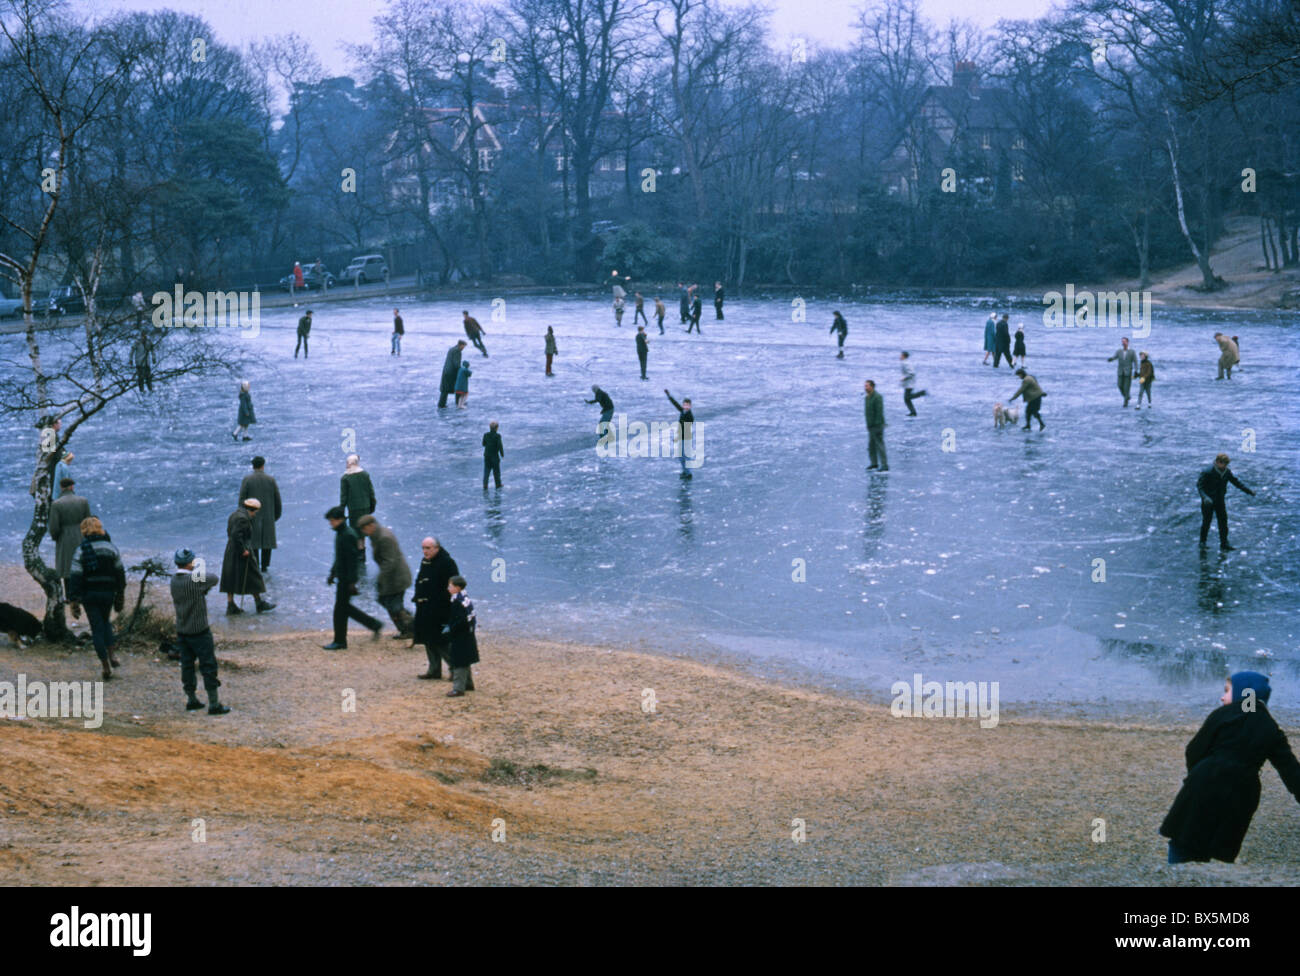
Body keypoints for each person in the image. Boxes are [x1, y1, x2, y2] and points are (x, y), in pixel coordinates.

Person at [1160, 672, 1300, 864]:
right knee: (1217, 835)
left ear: (1244, 693)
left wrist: (1196, 774)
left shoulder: (1223, 715)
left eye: (1227, 691)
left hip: (1206, 778)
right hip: (1243, 790)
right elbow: (1290, 771)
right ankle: (1199, 866)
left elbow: (1194, 749)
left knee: (1186, 833)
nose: (1222, 697)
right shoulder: (1271, 728)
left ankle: (1178, 866)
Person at [169, 547, 228, 715]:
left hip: (182, 630)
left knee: (187, 666)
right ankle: (214, 704)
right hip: (200, 631)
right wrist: (199, 567)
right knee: (208, 665)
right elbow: (214, 579)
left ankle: (192, 700)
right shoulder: (195, 579)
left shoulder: (174, 580)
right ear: (190, 563)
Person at [66, 516, 125, 680]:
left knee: (96, 628)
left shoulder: (81, 550)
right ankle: (112, 655)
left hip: (89, 595)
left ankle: (106, 666)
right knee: (106, 622)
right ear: (100, 528)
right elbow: (120, 572)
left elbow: (75, 576)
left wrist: (74, 600)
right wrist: (120, 593)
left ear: (84, 531)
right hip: (108, 593)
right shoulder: (111, 548)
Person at [322, 506, 382, 650]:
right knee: (344, 609)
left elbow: (352, 560)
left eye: (332, 520)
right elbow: (340, 557)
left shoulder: (347, 535)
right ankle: (373, 625)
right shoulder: (341, 533)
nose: (331, 523)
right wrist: (332, 572)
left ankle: (340, 641)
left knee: (340, 610)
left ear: (340, 520)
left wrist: (352, 582)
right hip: (344, 578)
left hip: (346, 580)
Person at [356, 515, 413, 638]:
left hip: (397, 578)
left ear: (371, 525)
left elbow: (390, 562)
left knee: (394, 606)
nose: (364, 532)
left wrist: (380, 579)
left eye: (364, 529)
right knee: (388, 602)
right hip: (392, 577)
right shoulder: (377, 535)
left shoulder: (383, 538)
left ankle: (412, 628)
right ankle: (407, 629)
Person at [220, 498, 276, 615]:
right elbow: (236, 535)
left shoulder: (234, 514)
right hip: (241, 551)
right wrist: (243, 550)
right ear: (252, 509)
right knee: (254, 576)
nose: (255, 515)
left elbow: (229, 532)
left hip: (231, 550)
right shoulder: (243, 519)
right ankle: (259, 603)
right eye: (255, 512)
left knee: (230, 577)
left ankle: (231, 605)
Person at [413, 537, 459, 678]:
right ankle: (434, 670)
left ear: (437, 548)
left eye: (428, 548)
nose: (425, 551)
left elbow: (454, 586)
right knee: (428, 639)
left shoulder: (447, 563)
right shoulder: (426, 561)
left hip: (440, 607)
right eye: (423, 548)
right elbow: (421, 580)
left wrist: (447, 605)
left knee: (441, 640)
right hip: (425, 606)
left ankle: (454, 669)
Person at [1197, 453, 1255, 551]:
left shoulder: (1226, 472)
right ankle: (1202, 542)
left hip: (1220, 501)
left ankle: (1224, 544)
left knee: (1223, 522)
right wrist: (1205, 498)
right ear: (1218, 462)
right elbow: (1200, 486)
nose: (1225, 467)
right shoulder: (1207, 472)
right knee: (1207, 522)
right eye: (1224, 464)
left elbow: (1236, 482)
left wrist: (1248, 491)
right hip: (1208, 502)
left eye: (1226, 465)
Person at [48, 477, 91, 600]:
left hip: (64, 537)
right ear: (72, 487)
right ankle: (84, 594)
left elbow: (54, 527)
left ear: (61, 487)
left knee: (67, 569)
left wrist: (56, 537)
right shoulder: (83, 501)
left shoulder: (56, 504)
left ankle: (70, 596)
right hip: (81, 535)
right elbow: (88, 521)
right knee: (82, 565)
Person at [238, 456, 282, 572]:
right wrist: (275, 516)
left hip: (252, 515)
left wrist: (242, 516)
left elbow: (242, 499)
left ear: (253, 466)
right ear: (263, 465)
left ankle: (256, 564)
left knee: (253, 542)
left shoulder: (247, 479)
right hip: (268, 516)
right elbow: (277, 500)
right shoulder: (271, 480)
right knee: (267, 542)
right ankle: (265, 566)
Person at [443, 575, 479, 697]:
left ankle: (458, 688)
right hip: (468, 634)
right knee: (465, 659)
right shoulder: (464, 598)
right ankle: (468, 683)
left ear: (457, 588)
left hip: (461, 636)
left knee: (458, 661)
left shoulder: (458, 601)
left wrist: (450, 628)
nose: (448, 588)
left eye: (450, 586)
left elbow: (460, 620)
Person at [340, 455, 376, 570]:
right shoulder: (365, 474)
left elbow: (344, 497)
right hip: (365, 506)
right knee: (363, 530)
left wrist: (341, 510)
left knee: (356, 530)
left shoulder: (345, 478)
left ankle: (359, 554)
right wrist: (372, 505)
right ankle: (362, 552)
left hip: (354, 508)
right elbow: (371, 491)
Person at [664, 388, 695, 479]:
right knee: (681, 456)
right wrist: (669, 395)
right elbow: (675, 404)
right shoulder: (682, 411)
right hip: (682, 437)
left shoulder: (690, 416)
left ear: (690, 406)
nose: (685, 406)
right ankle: (685, 472)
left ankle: (688, 473)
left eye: (687, 405)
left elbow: (686, 429)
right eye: (684, 405)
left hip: (686, 438)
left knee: (686, 456)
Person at [864, 379, 888, 472]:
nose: (865, 388)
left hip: (877, 426)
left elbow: (879, 412)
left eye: (867, 386)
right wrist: (868, 425)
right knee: (871, 445)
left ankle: (884, 464)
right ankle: (874, 463)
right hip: (870, 426)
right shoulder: (867, 398)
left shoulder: (877, 397)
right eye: (865, 386)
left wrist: (877, 425)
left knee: (879, 445)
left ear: (872, 386)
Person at [1107, 336, 1138, 407]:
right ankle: (1127, 397)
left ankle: (1125, 402)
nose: (1123, 343)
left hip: (1128, 372)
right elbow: (1115, 357)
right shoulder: (1119, 351)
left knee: (1127, 387)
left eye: (1124, 341)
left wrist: (1136, 371)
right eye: (1122, 341)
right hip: (1120, 372)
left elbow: (1135, 362)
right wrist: (1111, 359)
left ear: (1128, 342)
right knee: (1119, 385)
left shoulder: (1132, 352)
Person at [439, 340, 466, 408]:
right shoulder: (457, 351)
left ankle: (441, 404)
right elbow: (456, 364)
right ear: (461, 345)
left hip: (446, 371)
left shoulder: (452, 349)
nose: (463, 348)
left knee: (445, 389)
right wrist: (462, 370)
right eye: (464, 346)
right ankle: (458, 402)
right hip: (452, 373)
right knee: (458, 387)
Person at [900, 351, 926, 417]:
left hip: (909, 383)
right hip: (908, 383)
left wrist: (905, 378)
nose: (900, 357)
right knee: (907, 399)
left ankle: (922, 393)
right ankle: (913, 412)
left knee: (907, 398)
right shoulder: (905, 363)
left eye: (901, 355)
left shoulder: (906, 363)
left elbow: (911, 373)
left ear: (904, 356)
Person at [482, 421, 504, 490]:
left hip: (487, 456)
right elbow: (500, 446)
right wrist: (502, 454)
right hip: (495, 456)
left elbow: (483, 444)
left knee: (486, 471)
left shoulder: (485, 435)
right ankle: (498, 485)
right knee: (496, 472)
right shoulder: (498, 436)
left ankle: (485, 485)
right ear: (497, 428)